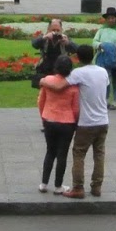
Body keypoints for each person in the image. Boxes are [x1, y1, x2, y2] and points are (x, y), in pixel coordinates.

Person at [62, 44, 110, 199]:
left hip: (86, 122)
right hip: (103, 120)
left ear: (77, 57)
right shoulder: (102, 72)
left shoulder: (78, 73)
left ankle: (77, 188)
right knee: (99, 154)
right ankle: (97, 187)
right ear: (93, 56)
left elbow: (62, 85)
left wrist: (44, 81)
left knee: (79, 153)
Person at [37, 58, 79, 193]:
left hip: (49, 119)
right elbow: (76, 108)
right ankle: (58, 186)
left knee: (50, 151)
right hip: (67, 122)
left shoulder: (47, 80)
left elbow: (41, 101)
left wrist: (43, 117)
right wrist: (76, 122)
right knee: (62, 154)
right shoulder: (73, 86)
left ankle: (43, 183)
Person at [93, 7, 116, 111]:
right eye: (109, 18)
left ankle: (115, 101)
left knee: (115, 80)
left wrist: (115, 47)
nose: (111, 20)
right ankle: (105, 101)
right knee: (106, 80)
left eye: (112, 18)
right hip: (104, 59)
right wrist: (101, 45)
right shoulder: (101, 30)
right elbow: (94, 42)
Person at [31, 19, 76, 90]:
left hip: (61, 69)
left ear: (61, 29)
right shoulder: (44, 37)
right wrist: (45, 37)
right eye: (53, 30)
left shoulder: (64, 38)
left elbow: (76, 49)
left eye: (58, 30)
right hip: (46, 68)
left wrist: (68, 43)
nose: (55, 32)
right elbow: (34, 44)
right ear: (48, 29)